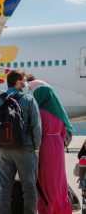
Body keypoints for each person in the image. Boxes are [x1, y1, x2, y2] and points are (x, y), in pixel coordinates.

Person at [0, 70, 42, 214]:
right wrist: (36, 148)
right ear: (18, 82)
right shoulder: (29, 100)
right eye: (24, 80)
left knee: (4, 188)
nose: (25, 83)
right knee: (29, 188)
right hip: (25, 148)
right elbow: (37, 127)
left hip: (3, 151)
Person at [33, 86, 73, 214]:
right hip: (58, 147)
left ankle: (48, 207)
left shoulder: (39, 113)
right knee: (59, 179)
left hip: (45, 147)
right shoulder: (59, 113)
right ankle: (61, 207)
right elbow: (64, 133)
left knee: (45, 179)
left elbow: (36, 133)